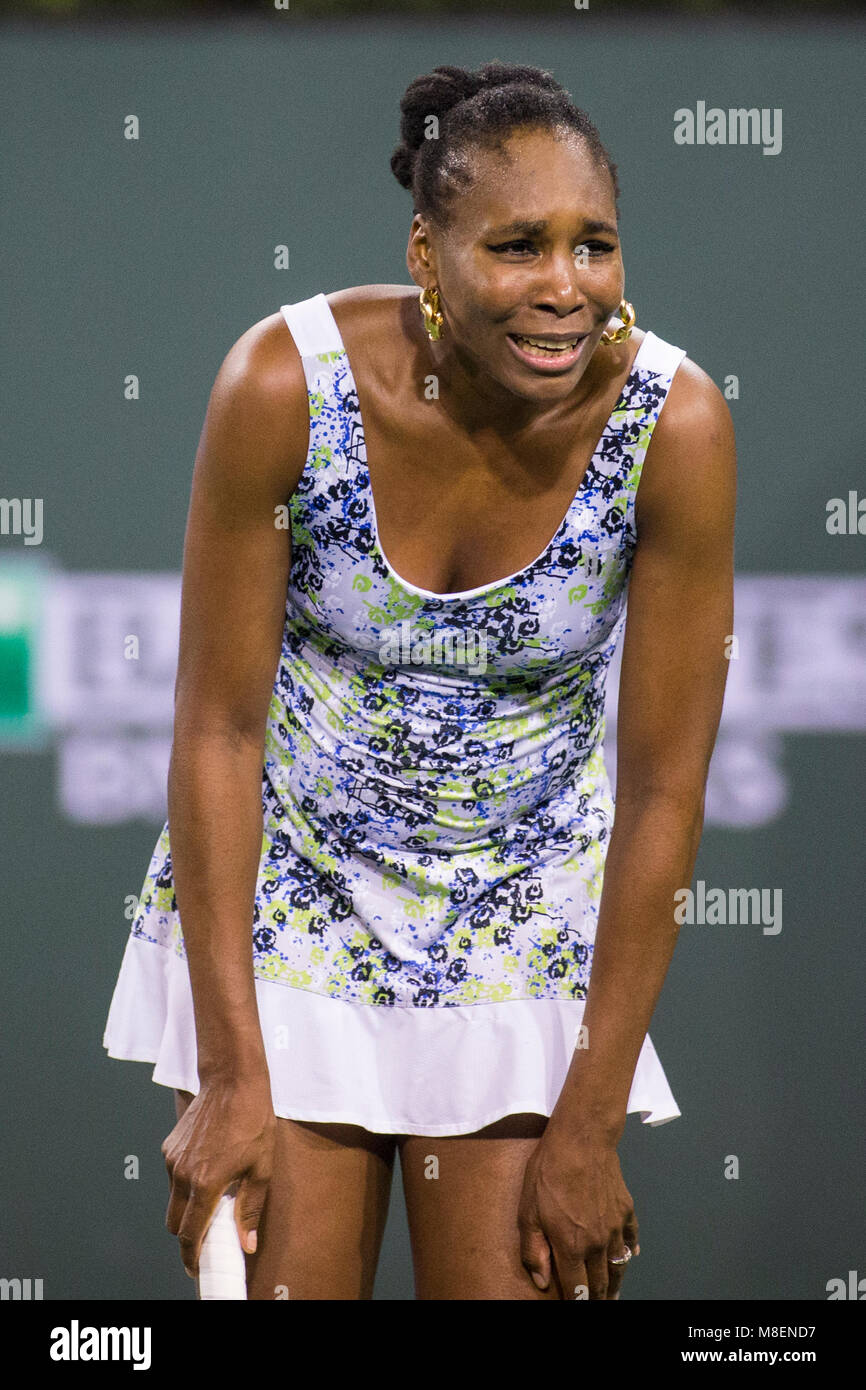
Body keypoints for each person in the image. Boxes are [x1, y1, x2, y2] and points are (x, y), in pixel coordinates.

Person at [103, 60, 736, 1301]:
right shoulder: (282, 386)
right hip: (289, 923)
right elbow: (220, 730)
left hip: (522, 926)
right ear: (427, 253)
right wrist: (231, 1073)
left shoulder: (676, 425)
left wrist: (591, 1120)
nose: (566, 289)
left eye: (594, 245)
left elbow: (662, 788)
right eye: (517, 245)